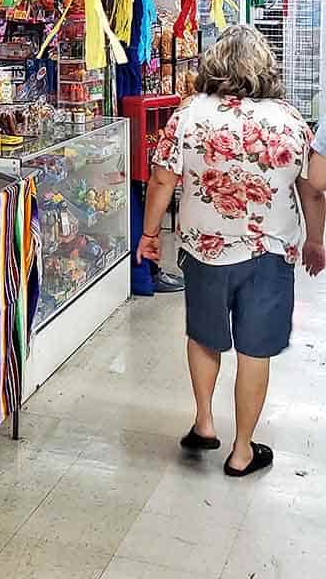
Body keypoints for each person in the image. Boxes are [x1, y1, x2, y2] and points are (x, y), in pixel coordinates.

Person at [136, 25, 326, 478]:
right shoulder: (291, 120)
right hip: (269, 250)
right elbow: (312, 189)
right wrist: (316, 240)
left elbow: (163, 178)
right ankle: (242, 450)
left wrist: (149, 236)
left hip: (205, 249)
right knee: (254, 350)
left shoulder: (188, 115)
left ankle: (204, 422)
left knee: (203, 335)